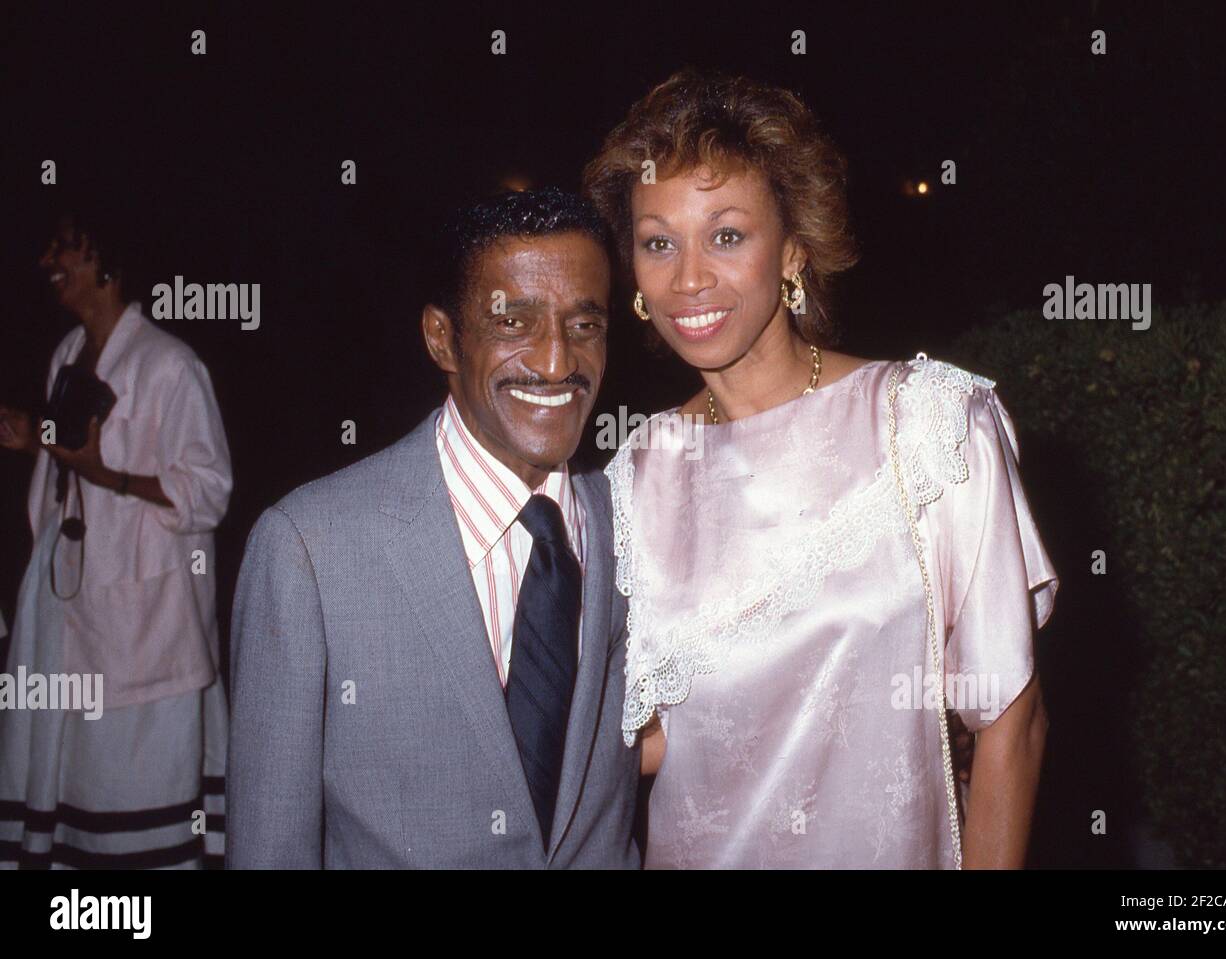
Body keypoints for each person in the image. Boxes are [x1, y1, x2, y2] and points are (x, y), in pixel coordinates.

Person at [582, 70, 1061, 868]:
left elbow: (1011, 716)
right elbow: (659, 737)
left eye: (727, 235)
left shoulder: (928, 423)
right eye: (658, 242)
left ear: (794, 248)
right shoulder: (637, 471)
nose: (688, 277)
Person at [225, 188, 641, 868]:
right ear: (442, 338)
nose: (557, 360)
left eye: (585, 325)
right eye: (515, 322)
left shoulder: (635, 519)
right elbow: (271, 844)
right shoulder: (309, 547)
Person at [0, 212, 232, 868]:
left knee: (139, 802)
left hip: (145, 623)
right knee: (71, 788)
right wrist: (34, 434)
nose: (50, 260)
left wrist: (114, 477)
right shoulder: (66, 357)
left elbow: (209, 489)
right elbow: (67, 459)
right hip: (67, 605)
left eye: (65, 247)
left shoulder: (170, 365)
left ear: (107, 264)